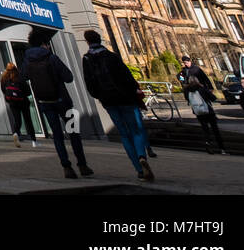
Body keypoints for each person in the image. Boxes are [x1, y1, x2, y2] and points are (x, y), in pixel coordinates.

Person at [81, 29, 153, 181]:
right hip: (125, 98)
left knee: (124, 134)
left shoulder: (87, 59)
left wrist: (99, 95)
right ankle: (141, 155)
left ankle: (139, 169)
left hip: (108, 101)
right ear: (100, 40)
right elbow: (127, 76)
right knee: (136, 130)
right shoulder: (111, 56)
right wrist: (134, 90)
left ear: (87, 42)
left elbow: (89, 83)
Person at [21, 27, 93, 179]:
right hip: (63, 101)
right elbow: (68, 77)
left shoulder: (27, 60)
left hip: (44, 102)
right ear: (43, 44)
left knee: (58, 136)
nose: (48, 46)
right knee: (73, 133)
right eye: (47, 44)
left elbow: (24, 77)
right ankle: (82, 164)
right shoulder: (52, 57)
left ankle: (66, 166)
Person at [183, 75, 227, 154]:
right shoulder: (202, 88)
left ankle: (208, 144)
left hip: (198, 112)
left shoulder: (186, 90)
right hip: (208, 111)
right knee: (215, 129)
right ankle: (222, 148)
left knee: (205, 129)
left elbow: (187, 99)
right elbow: (213, 98)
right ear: (197, 81)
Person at [0, 63, 38, 147]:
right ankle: (34, 141)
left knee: (17, 120)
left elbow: (3, 90)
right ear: (15, 69)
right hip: (23, 101)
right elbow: (28, 92)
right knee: (28, 120)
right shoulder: (19, 77)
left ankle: (16, 133)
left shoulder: (4, 78)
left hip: (12, 102)